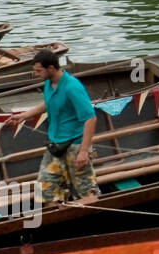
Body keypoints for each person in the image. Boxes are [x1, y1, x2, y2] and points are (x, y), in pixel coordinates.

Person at [10, 49, 100, 203]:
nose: (36, 74)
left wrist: (84, 151)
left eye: (39, 71)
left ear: (50, 68)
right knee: (46, 188)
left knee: (85, 189)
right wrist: (26, 115)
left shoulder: (72, 87)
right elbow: (49, 103)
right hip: (55, 145)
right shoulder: (48, 84)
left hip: (75, 145)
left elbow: (90, 118)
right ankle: (55, 215)